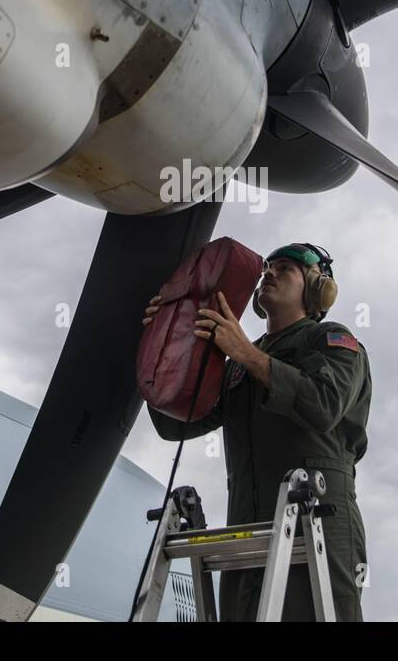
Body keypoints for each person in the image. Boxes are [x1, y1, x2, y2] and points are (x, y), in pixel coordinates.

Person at [142, 243, 371, 621]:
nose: (270, 273)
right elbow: (175, 424)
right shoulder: (236, 365)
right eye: (267, 267)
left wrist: (245, 353)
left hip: (318, 531)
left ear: (317, 288)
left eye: (286, 268)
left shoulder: (333, 342)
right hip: (247, 538)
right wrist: (162, 340)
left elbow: (324, 404)